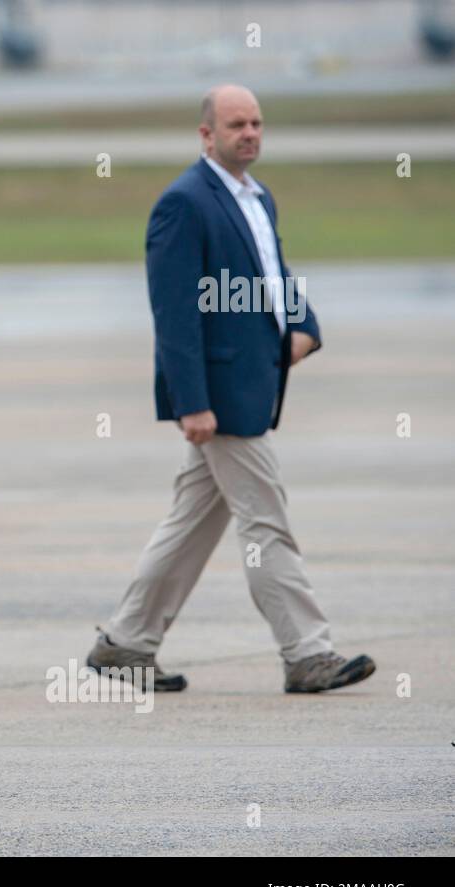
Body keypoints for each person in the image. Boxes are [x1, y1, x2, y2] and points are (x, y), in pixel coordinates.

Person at [87, 84, 376, 694]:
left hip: (249, 387)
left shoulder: (257, 197)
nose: (250, 133)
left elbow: (274, 276)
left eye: (257, 123)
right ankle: (307, 653)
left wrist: (305, 328)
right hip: (219, 401)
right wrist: (191, 401)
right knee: (266, 522)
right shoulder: (184, 203)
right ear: (206, 135)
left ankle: (125, 644)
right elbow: (174, 313)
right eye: (236, 124)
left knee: (189, 525)